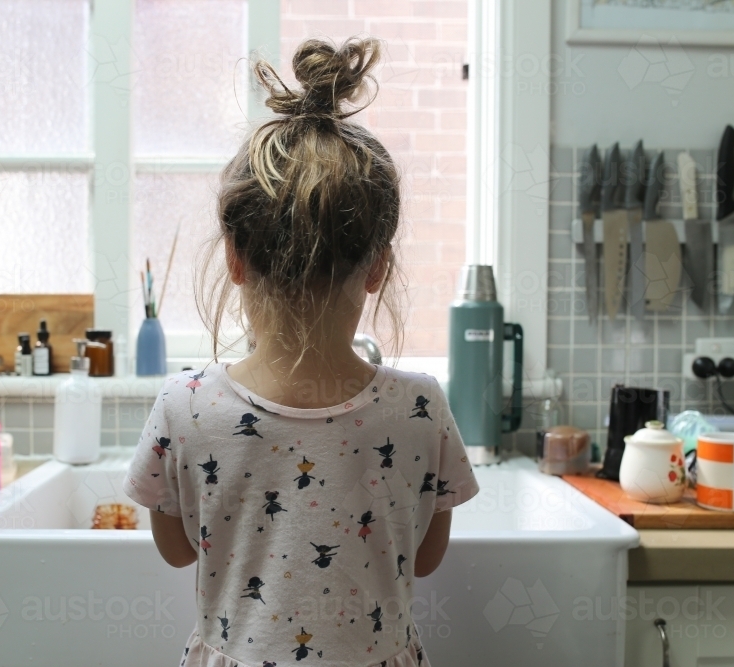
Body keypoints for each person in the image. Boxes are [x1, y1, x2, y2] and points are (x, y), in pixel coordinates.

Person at [125, 36, 479, 666]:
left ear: (234, 258)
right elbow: (425, 558)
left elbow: (177, 551)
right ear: (378, 267)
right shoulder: (421, 408)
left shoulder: (184, 406)